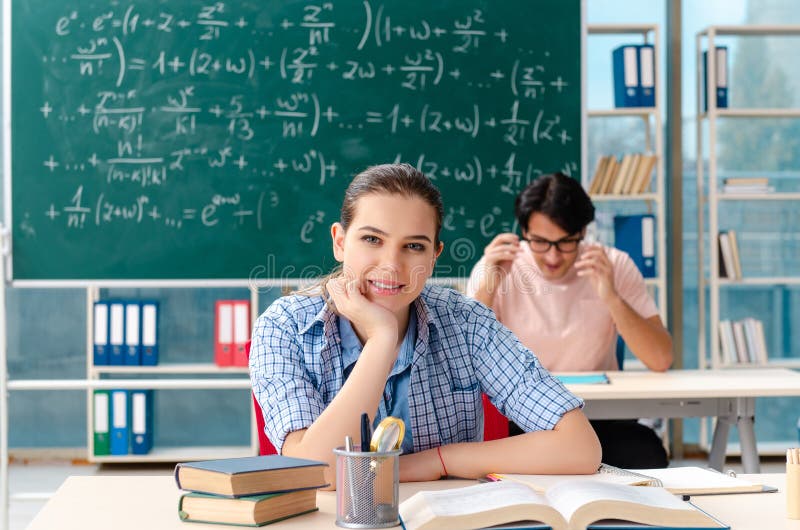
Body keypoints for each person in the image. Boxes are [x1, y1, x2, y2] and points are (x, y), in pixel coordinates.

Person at [250, 163, 601, 488]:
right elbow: (317, 473)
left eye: (414, 246)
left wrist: (440, 460)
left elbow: (580, 448)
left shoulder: (467, 323)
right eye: (372, 239)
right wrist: (382, 339)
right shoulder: (284, 327)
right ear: (340, 242)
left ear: (434, 256)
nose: (392, 264)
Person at [467, 171, 673, 469]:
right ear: (523, 230)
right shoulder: (500, 266)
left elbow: (660, 358)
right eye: (539, 242)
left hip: (598, 419)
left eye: (565, 243)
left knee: (647, 453)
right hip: (521, 421)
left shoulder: (613, 264)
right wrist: (487, 285)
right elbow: (463, 354)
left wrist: (612, 296)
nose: (552, 257)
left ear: (583, 233)